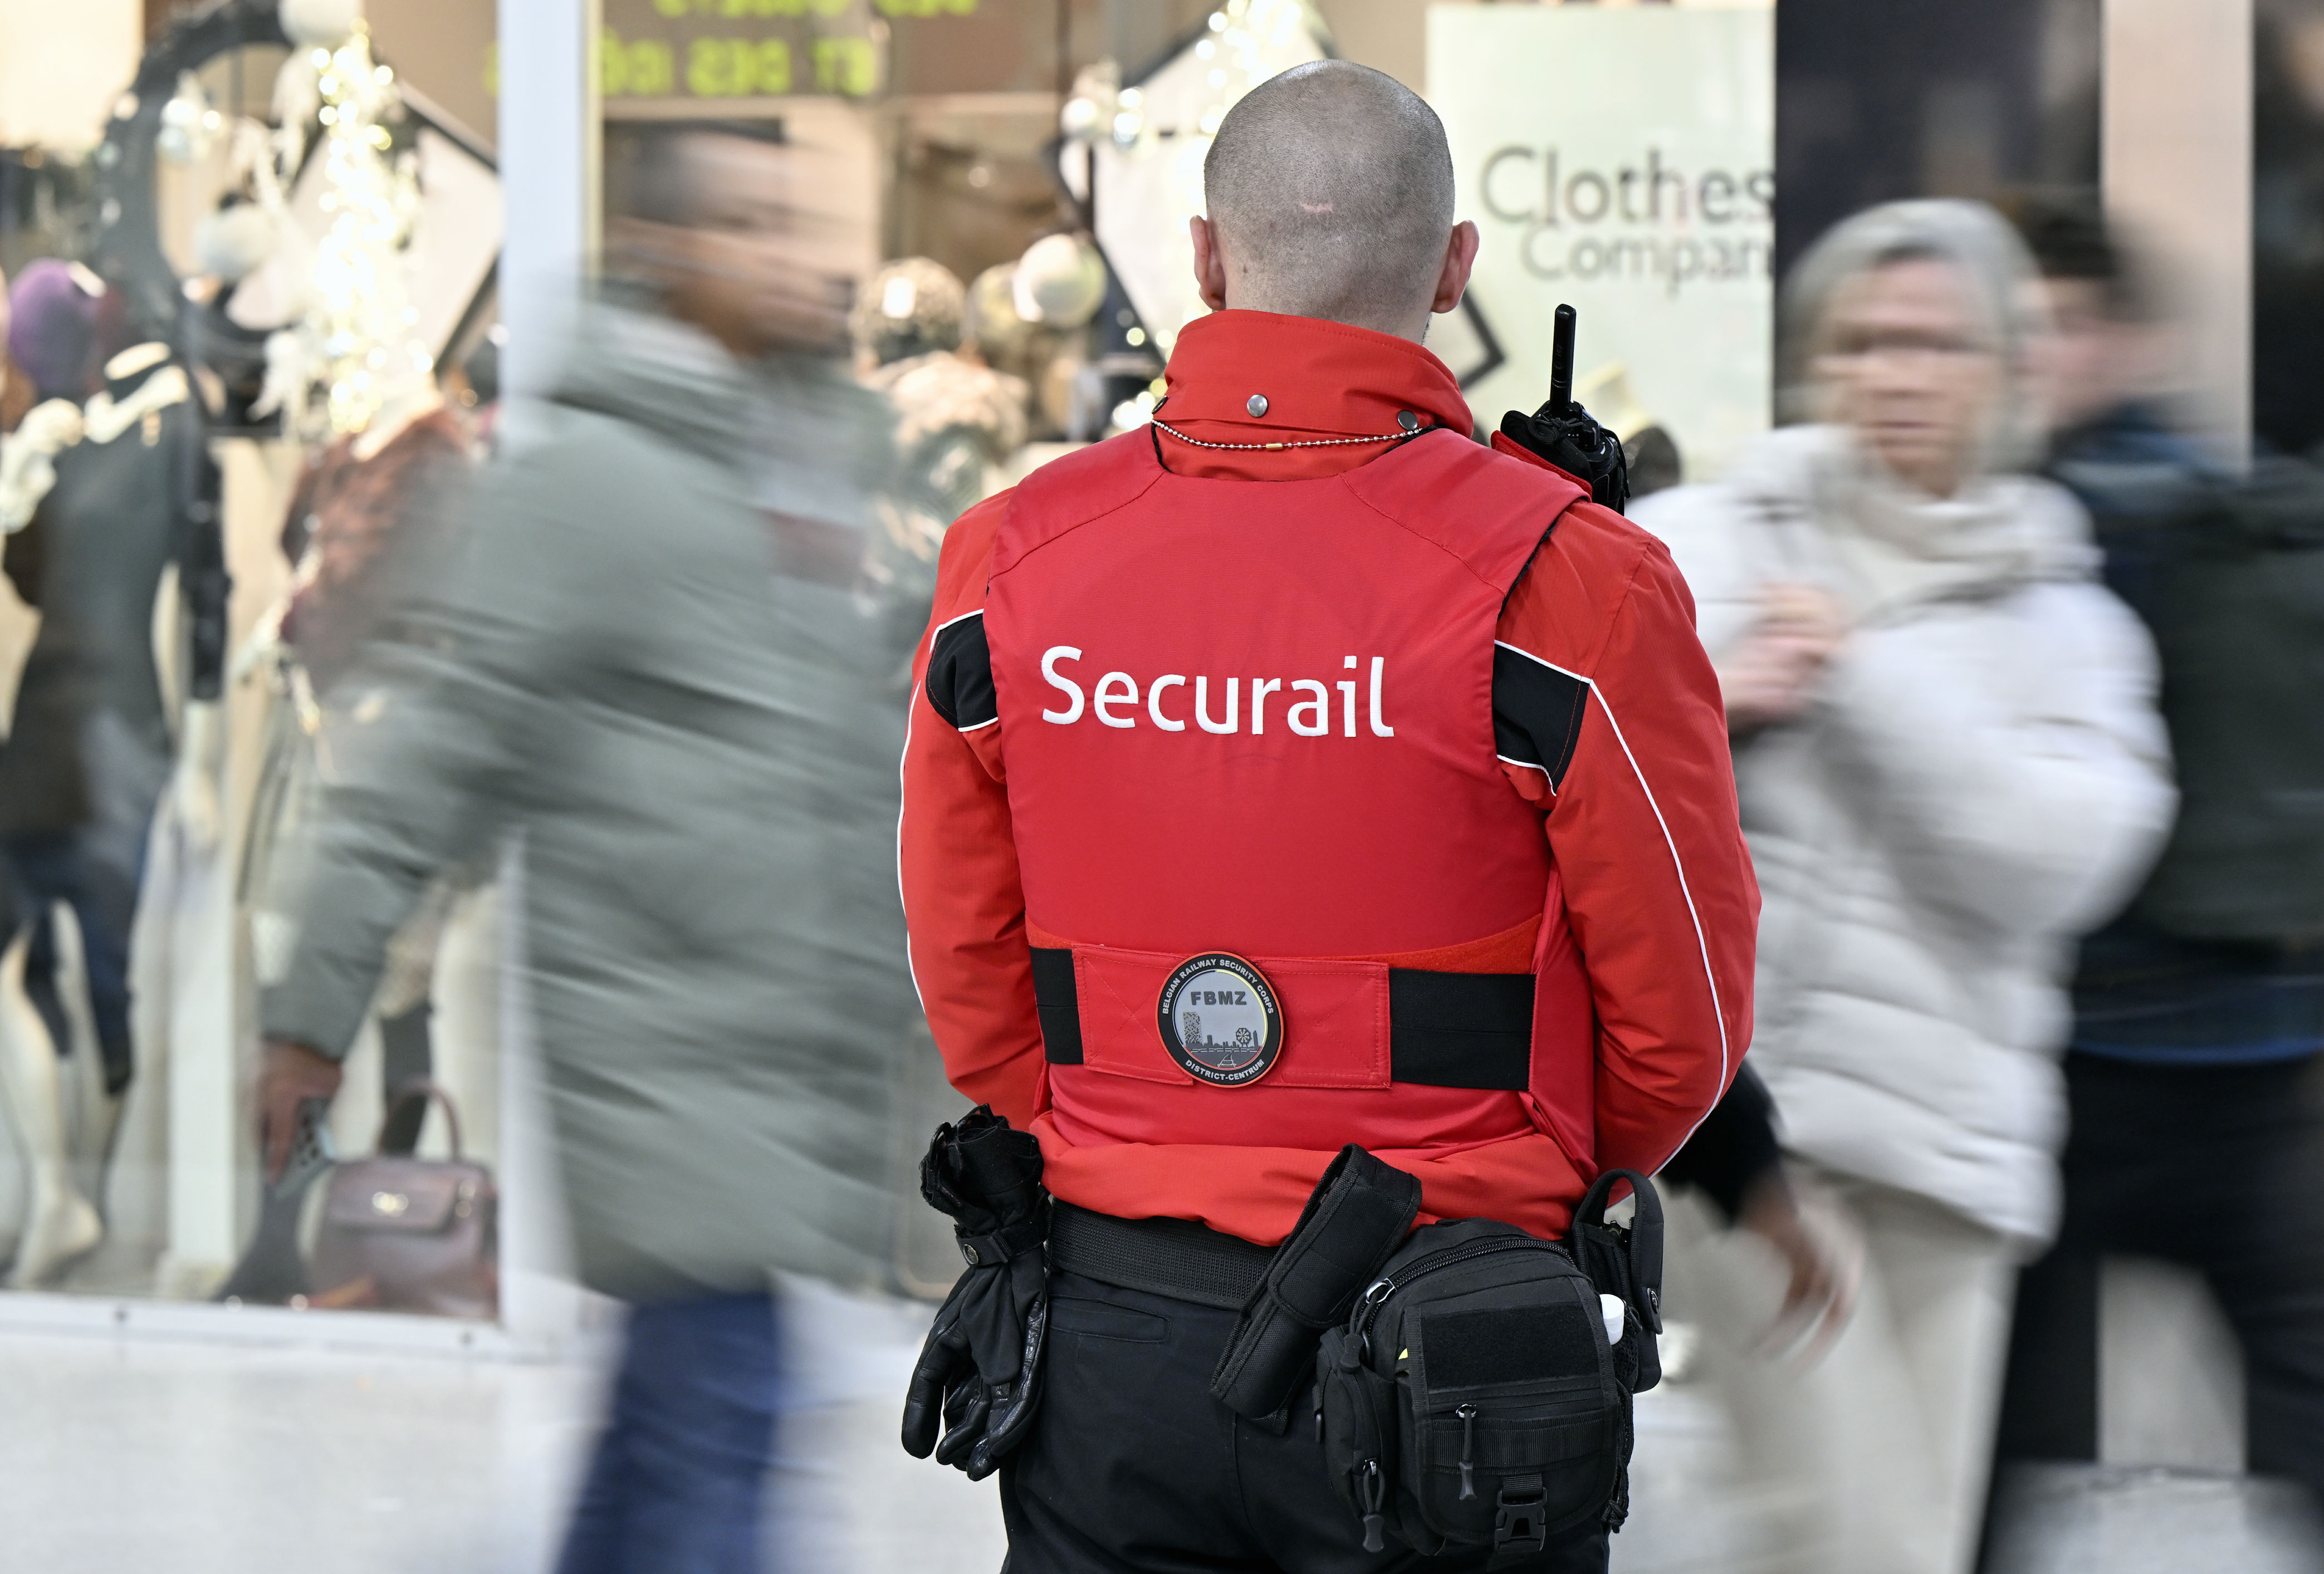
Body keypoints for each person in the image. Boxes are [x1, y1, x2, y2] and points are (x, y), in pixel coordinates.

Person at [898, 60, 1758, 1574]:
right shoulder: (1571, 582)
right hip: (1452, 1362)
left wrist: (1137, 1127)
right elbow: (1678, 1019)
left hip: (1106, 1348)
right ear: (1452, 269)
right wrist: (1522, 1155)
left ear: (1203, 259)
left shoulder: (1005, 559)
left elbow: (967, 962)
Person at [252, 121, 911, 1573]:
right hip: (674, 1070)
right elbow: (430, 765)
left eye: (796, 221)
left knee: (662, 1461)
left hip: (780, 1068)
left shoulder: (799, 463)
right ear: (669, 254)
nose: (792, 256)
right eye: (749, 224)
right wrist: (310, 1012)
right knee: (712, 1465)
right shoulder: (592, 483)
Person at [1629, 199, 2174, 1574]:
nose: (1895, 374)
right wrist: (1708, 707)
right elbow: (1567, 759)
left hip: (1952, 1161)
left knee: (1906, 1545)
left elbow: (2051, 861)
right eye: (1863, 341)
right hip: (1762, 1149)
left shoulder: (2068, 621)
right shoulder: (1712, 544)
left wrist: (1860, 677)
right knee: (1851, 1539)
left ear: (2002, 369)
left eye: (1933, 344)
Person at [1989, 204, 2324, 1516]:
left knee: (1986, 1434)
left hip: (2108, 1050)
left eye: (2065, 325)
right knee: (2298, 1397)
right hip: (2244, 1042)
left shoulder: (2060, 518)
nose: (2039, 354)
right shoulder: (2234, 505)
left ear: (2129, 339)